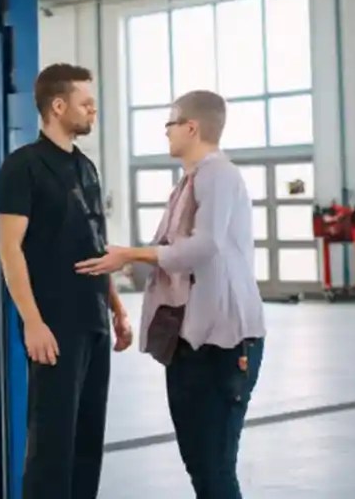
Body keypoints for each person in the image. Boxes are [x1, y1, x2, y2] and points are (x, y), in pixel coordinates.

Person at [76, 89, 266, 499]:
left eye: (170, 124)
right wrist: (127, 260)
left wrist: (131, 253)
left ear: (191, 127)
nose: (166, 133)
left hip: (223, 343)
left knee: (213, 465)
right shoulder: (191, 182)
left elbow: (204, 246)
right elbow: (176, 251)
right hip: (192, 340)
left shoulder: (217, 175)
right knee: (201, 463)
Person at [0, 62, 134, 499]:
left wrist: (117, 308)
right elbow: (9, 248)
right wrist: (32, 322)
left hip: (93, 320)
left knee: (87, 440)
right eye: (86, 103)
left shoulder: (87, 168)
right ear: (58, 106)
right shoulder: (24, 167)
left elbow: (96, 245)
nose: (93, 111)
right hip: (54, 324)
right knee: (52, 445)